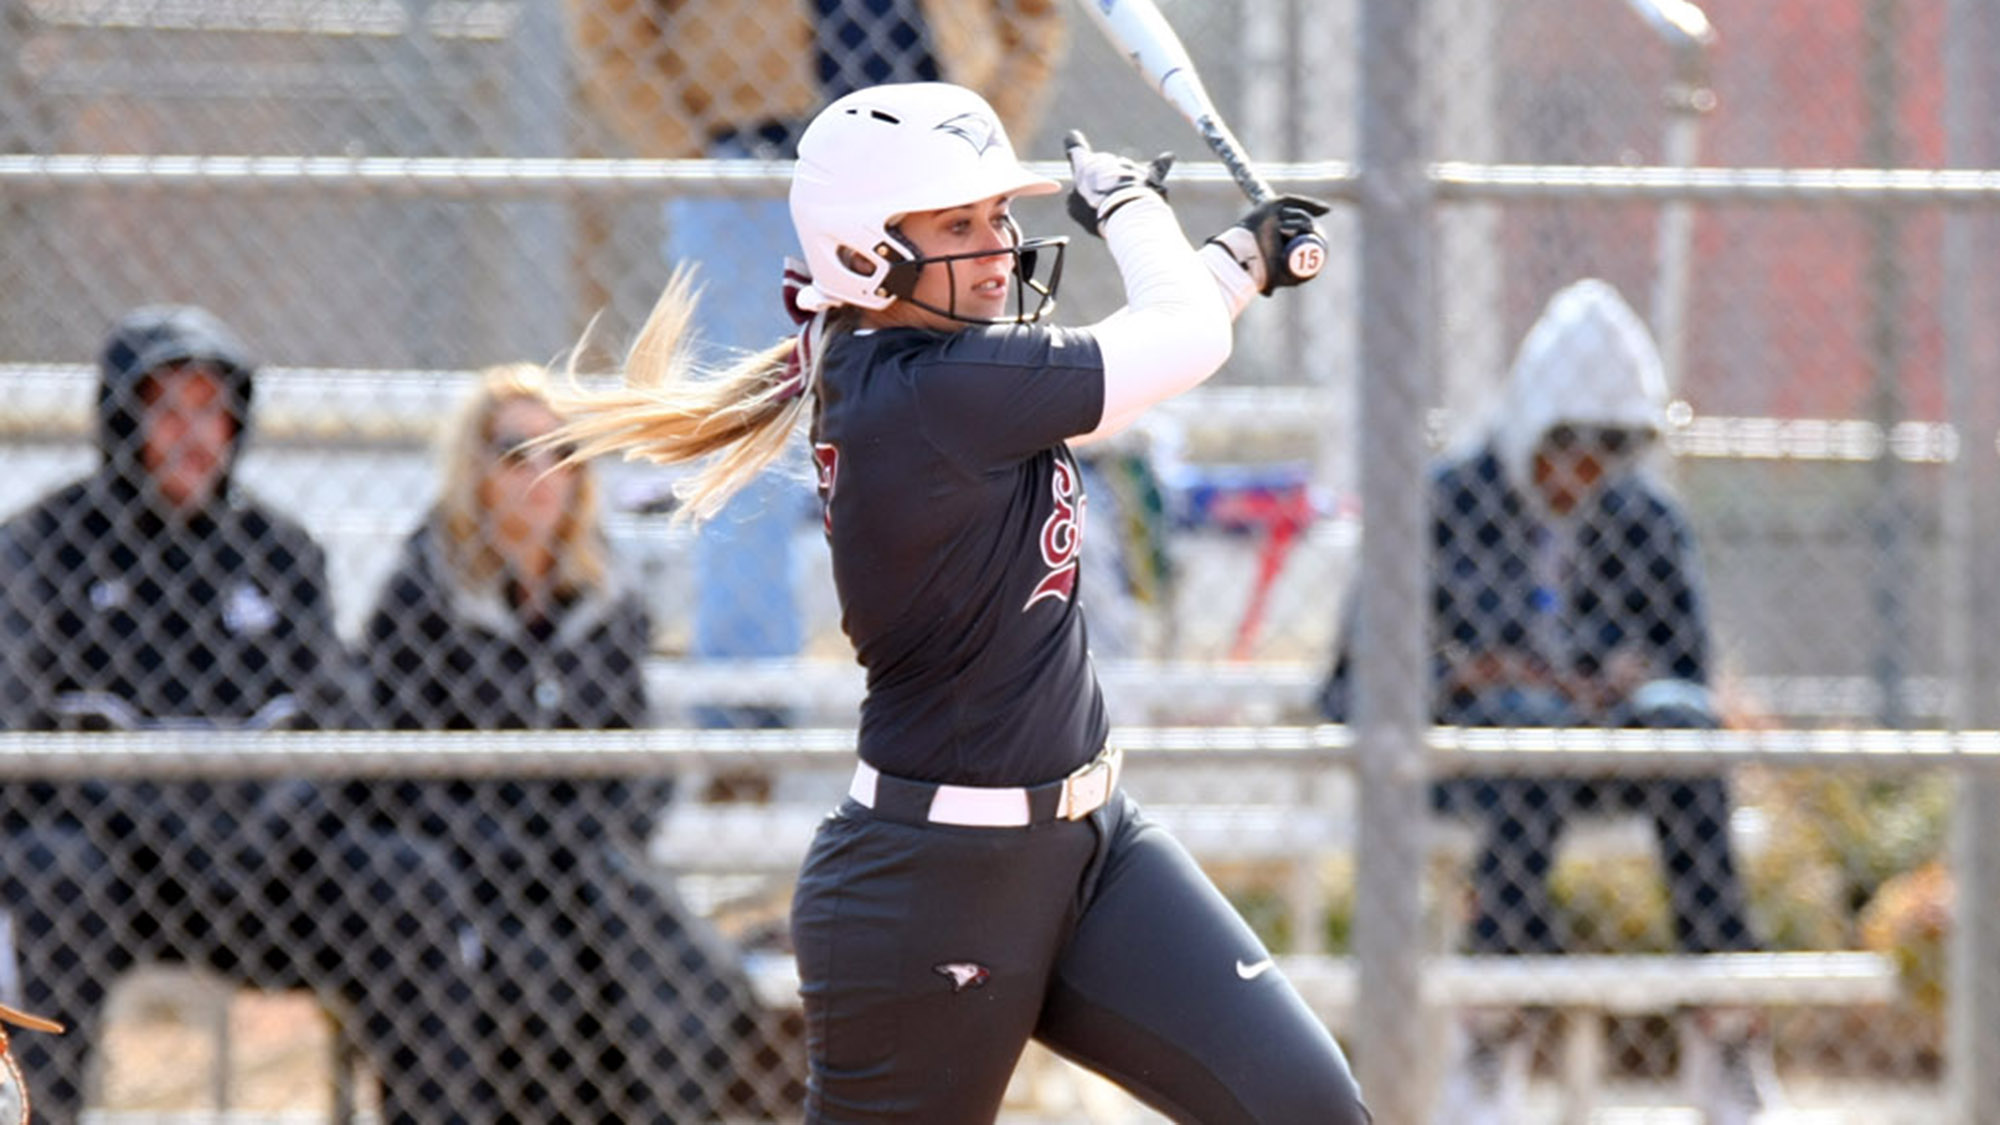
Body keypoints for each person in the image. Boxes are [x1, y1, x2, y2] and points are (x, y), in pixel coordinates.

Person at [540, 81, 1367, 1123]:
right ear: (864, 250)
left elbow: (1156, 348)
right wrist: (1127, 207)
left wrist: (1236, 262)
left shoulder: (934, 371)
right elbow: (1179, 343)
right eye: (957, 225)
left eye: (996, 218)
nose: (995, 248)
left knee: (1307, 1108)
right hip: (929, 889)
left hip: (1095, 854)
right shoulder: (930, 388)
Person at [0, 305, 482, 1122]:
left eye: (213, 408)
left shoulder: (279, 548)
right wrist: (141, 807)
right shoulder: (42, 545)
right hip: (117, 868)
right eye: (170, 408)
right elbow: (23, 736)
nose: (196, 434)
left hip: (266, 864)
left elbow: (340, 725)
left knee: (409, 882)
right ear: (124, 417)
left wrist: (269, 817)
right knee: (50, 869)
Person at [1320, 279, 1779, 1125]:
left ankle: (1725, 1020)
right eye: (1569, 447)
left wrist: (1623, 679)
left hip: (1611, 750)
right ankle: (1494, 1027)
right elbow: (1349, 682)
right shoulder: (1446, 502)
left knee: (1684, 723)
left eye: (1608, 453)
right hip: (1478, 762)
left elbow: (1686, 665)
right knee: (1527, 724)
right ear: (1530, 426)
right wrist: (1465, 676)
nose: (1584, 473)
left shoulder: (1643, 516)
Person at [569, 0, 1066, 730]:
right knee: (749, 434)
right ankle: (747, 710)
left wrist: (986, 147)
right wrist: (687, 151)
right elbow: (607, 22)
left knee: (946, 425)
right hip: (759, 162)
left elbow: (1037, 17)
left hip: (929, 173)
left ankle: (952, 690)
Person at [355, 363, 802, 1120]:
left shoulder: (605, 597)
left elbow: (637, 766)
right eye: (514, 451)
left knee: (678, 965)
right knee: (542, 976)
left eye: (559, 450)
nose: (539, 472)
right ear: (475, 469)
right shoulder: (423, 593)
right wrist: (518, 845)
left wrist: (584, 839)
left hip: (583, 870)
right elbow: (396, 770)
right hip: (475, 875)